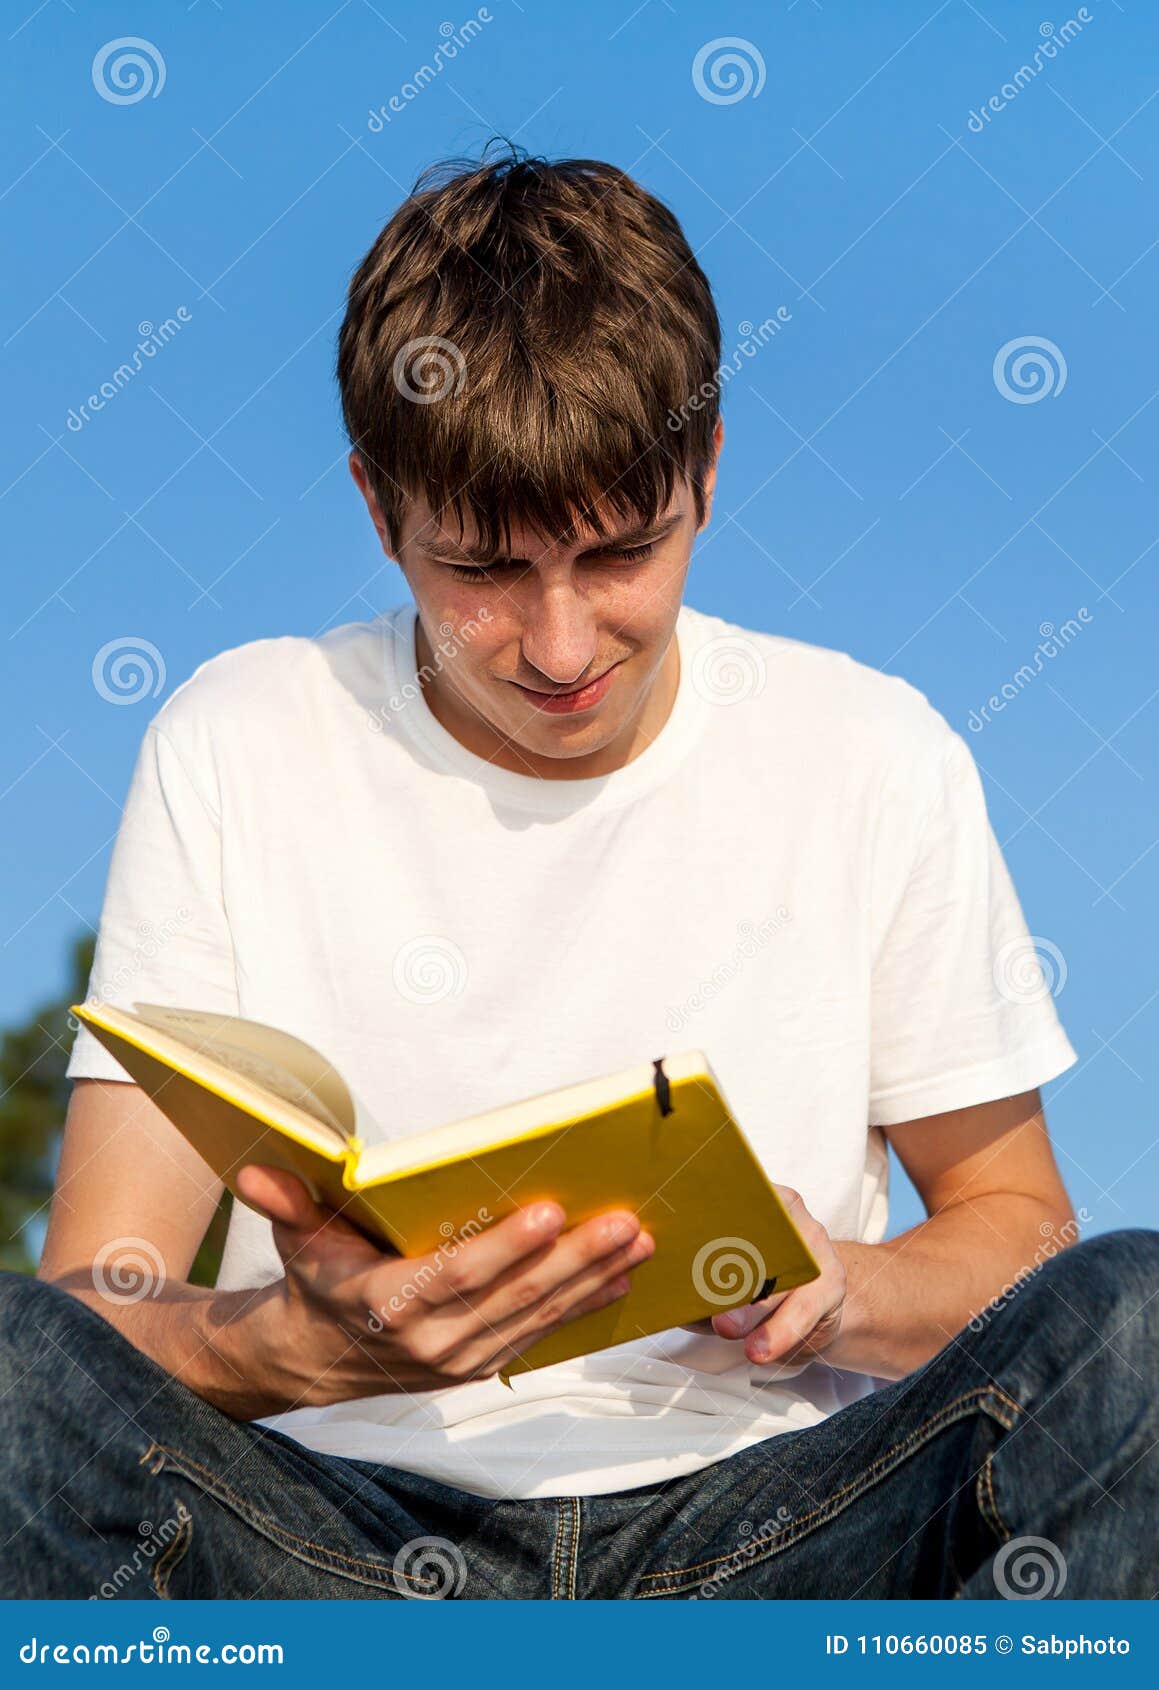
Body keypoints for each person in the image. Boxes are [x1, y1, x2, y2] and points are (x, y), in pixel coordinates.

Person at [4, 142, 1155, 1601]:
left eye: (621, 553)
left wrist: (846, 1286)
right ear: (378, 509)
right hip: (328, 1527)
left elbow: (1025, 1237)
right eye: (484, 571)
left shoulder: (877, 753)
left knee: (1137, 1319)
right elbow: (87, 1309)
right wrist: (294, 1345)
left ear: (709, 470)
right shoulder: (238, 738)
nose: (560, 647)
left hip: (778, 1527)